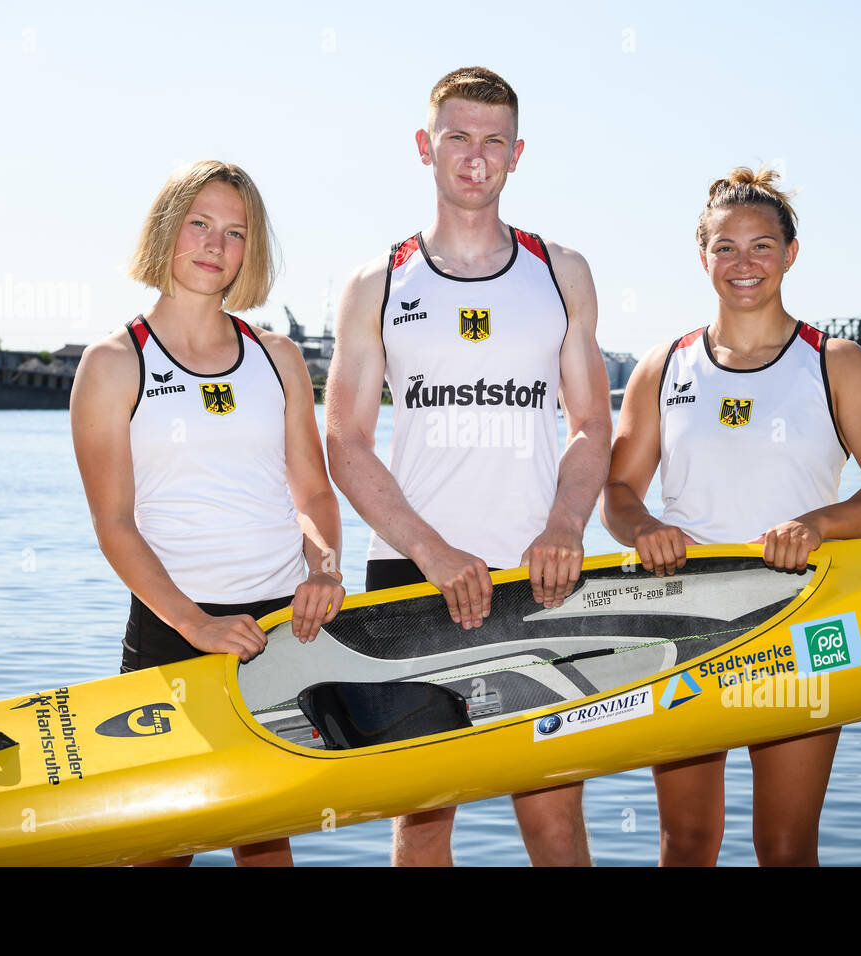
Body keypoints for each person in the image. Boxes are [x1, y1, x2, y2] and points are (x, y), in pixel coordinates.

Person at [325, 67, 613, 866]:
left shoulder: (562, 271)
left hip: (538, 575)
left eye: (493, 141)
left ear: (517, 155)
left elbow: (592, 424)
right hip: (415, 579)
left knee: (554, 813)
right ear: (426, 146)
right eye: (458, 137)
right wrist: (432, 551)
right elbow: (345, 439)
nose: (475, 157)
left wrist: (563, 525)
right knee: (422, 821)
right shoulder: (375, 284)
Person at [600, 166, 861, 866]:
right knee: (687, 842)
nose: (743, 263)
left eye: (761, 246)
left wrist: (819, 524)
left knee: (783, 845)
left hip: (802, 617)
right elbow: (618, 494)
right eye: (725, 247)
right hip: (684, 622)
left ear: (791, 253)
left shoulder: (835, 362)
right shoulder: (664, 366)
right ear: (703, 257)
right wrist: (646, 530)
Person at [70, 160, 345, 866]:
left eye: (235, 232)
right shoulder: (112, 363)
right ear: (167, 229)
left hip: (281, 628)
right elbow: (115, 524)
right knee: (163, 846)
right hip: (174, 628)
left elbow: (312, 491)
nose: (214, 246)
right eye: (199, 223)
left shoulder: (277, 358)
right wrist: (196, 624)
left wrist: (324, 566)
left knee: (265, 842)